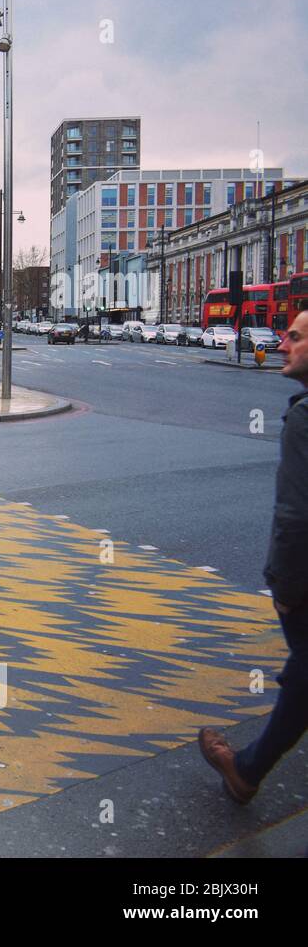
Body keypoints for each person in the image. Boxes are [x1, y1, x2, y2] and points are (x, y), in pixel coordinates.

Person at [199, 311, 308, 804]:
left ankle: (246, 768)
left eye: (296, 337)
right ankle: (247, 767)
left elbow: (294, 517)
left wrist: (283, 587)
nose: (283, 344)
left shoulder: (303, 419)